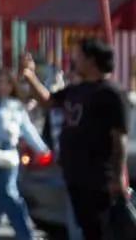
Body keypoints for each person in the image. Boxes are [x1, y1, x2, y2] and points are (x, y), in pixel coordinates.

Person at [21, 39, 131, 240]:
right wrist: (30, 76)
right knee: (87, 230)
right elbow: (47, 101)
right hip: (75, 177)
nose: (74, 60)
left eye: (79, 56)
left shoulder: (110, 94)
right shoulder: (76, 91)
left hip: (98, 180)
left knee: (101, 231)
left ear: (91, 61)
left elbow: (119, 139)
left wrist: (116, 177)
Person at [0, 66, 47, 240]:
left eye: (7, 83)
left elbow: (28, 130)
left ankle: (25, 234)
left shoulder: (16, 106)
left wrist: (42, 149)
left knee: (8, 193)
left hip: (9, 154)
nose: (3, 87)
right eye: (0, 82)